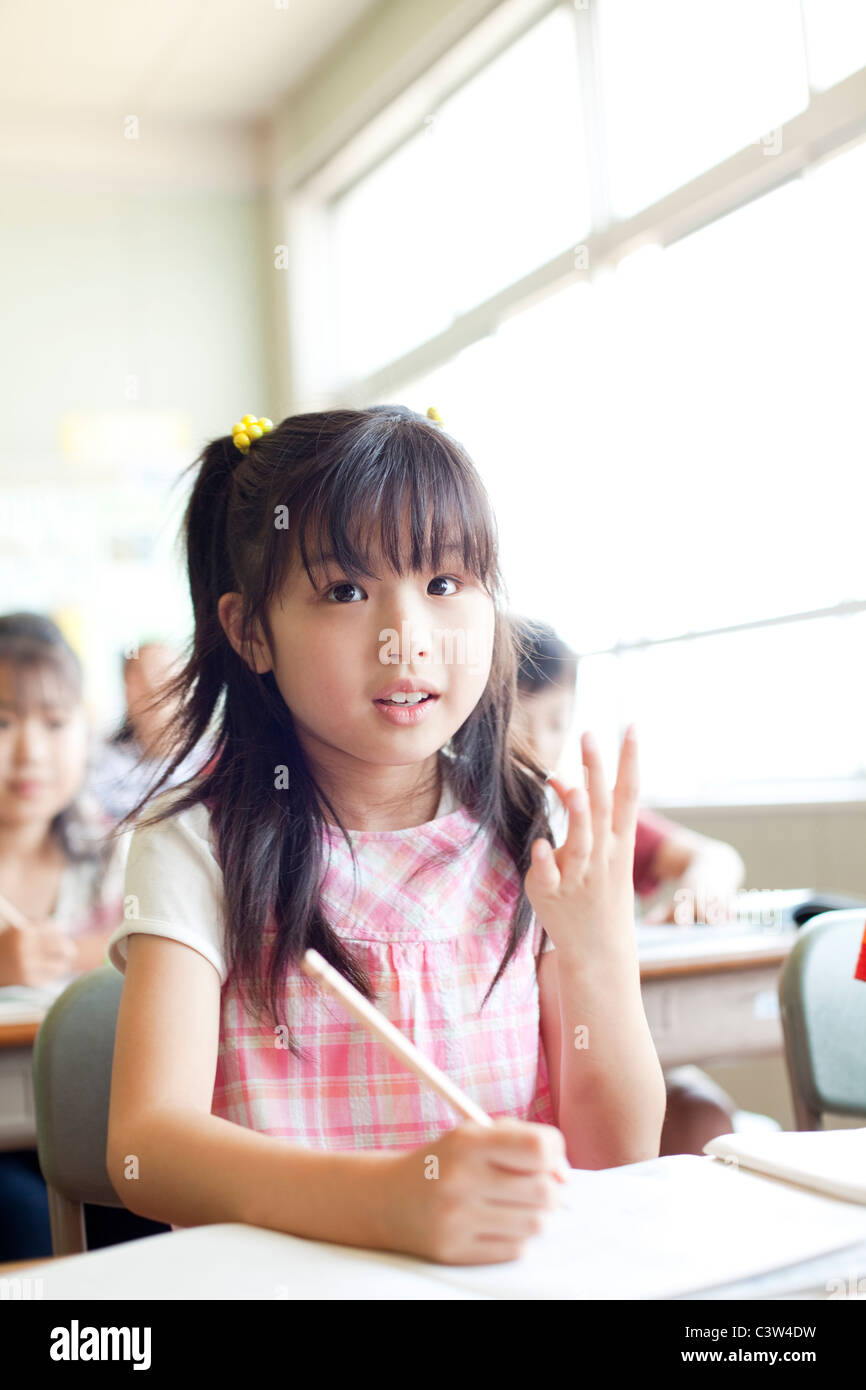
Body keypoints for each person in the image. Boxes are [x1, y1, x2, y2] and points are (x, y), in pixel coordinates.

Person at [105, 405, 666, 1266]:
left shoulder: (535, 831)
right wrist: (387, 1204)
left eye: (444, 584)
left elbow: (615, 1156)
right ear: (251, 631)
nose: (407, 637)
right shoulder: (196, 844)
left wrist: (599, 952)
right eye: (345, 591)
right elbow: (146, 1148)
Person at [510, 615, 777, 1155]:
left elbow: (714, 857)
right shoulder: (471, 825)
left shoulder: (585, 815)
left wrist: (696, 893)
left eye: (558, 722)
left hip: (619, 1042)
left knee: (704, 1117)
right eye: (520, 722)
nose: (540, 741)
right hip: (525, 1073)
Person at [0, 612, 171, 1260]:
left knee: (149, 1225)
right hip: (16, 1154)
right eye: (3, 723)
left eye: (54, 723)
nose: (30, 752)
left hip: (112, 1131)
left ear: (87, 727)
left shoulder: (117, 848)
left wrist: (76, 953)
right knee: (29, 1224)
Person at [87, 641, 210, 826]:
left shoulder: (214, 761)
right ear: (126, 693)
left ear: (191, 687)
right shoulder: (102, 764)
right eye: (139, 681)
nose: (153, 689)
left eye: (164, 677)